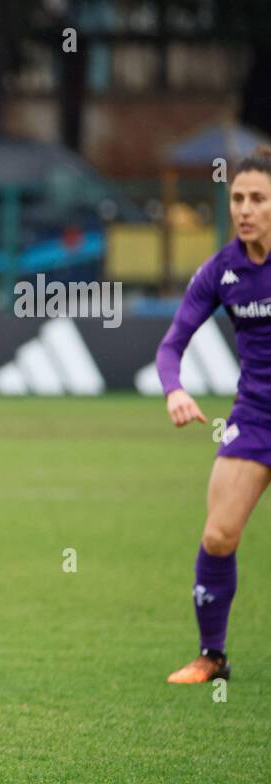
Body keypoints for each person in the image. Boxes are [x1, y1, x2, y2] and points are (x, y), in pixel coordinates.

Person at [158, 147, 271, 684]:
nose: (245, 209)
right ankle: (213, 657)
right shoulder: (222, 271)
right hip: (256, 417)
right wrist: (174, 390)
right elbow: (171, 344)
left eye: (258, 199)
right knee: (218, 537)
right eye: (238, 199)